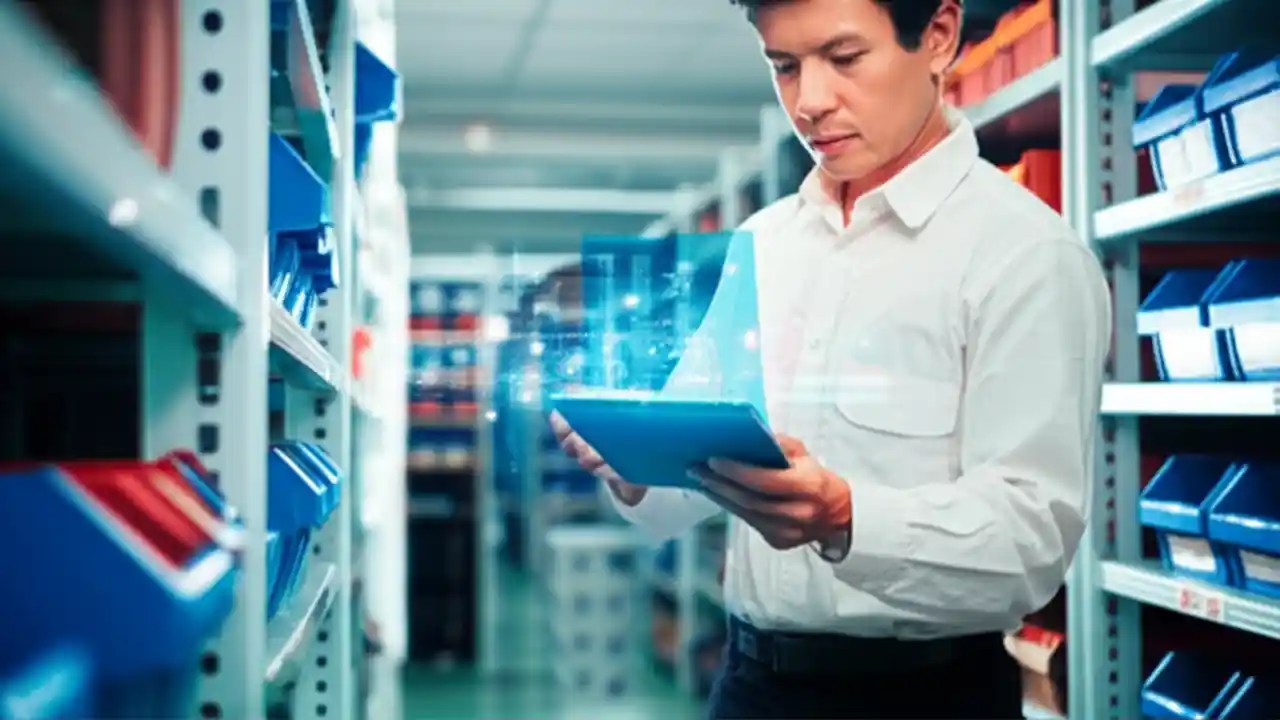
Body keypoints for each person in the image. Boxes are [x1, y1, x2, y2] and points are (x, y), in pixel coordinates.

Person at [551, 0, 1111, 717]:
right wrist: (632, 464)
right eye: (784, 67)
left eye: (844, 59)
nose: (810, 102)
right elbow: (683, 490)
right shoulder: (766, 242)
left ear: (938, 37)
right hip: (751, 684)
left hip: (927, 697)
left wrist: (845, 518)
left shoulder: (1025, 256)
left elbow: (1029, 543)